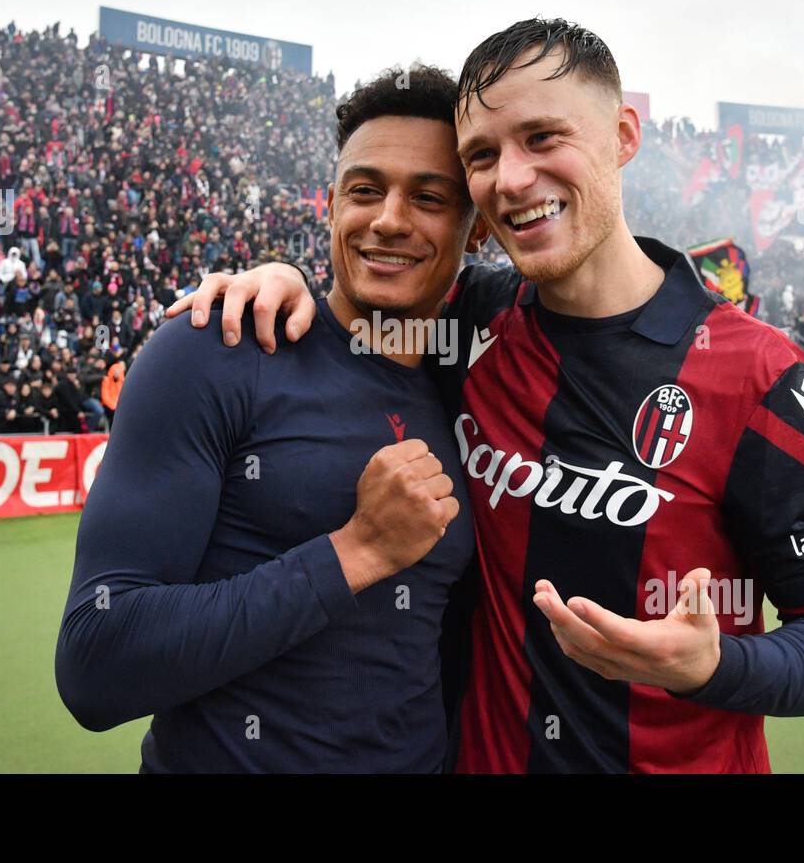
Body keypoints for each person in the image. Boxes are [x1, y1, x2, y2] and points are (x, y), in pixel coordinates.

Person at [170, 19, 804, 773]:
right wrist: (286, 279)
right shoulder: (467, 319)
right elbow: (370, 286)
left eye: (542, 138)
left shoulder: (759, 375)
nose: (510, 178)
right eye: (483, 155)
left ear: (623, 135)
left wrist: (714, 668)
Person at [55, 66, 485, 773]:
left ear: (476, 230)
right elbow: (96, 664)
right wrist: (357, 551)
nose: (387, 219)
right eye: (365, 190)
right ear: (330, 204)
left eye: (430, 198)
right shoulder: (214, 348)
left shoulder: (473, 382)